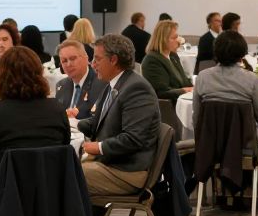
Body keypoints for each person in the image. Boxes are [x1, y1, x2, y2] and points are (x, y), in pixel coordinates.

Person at [0, 47, 71, 216]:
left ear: (1, 76)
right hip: (52, 199)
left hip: (6, 202)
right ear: (39, 73)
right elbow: (63, 154)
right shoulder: (57, 109)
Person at [77, 34, 160, 195]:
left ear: (113, 60)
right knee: (63, 169)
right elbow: (98, 122)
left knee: (65, 174)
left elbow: (133, 139)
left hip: (127, 171)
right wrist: (70, 123)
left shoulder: (136, 88)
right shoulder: (115, 84)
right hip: (112, 162)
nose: (93, 64)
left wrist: (98, 147)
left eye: (97, 59)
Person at [193, 31, 258, 149]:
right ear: (242, 54)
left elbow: (197, 118)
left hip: (210, 146)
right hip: (245, 147)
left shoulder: (202, 77)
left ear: (216, 50)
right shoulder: (252, 79)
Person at [54, 39, 107, 120]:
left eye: (72, 58)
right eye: (64, 61)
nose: (68, 64)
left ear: (86, 59)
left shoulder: (101, 83)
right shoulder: (61, 85)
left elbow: (98, 117)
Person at [142, 20, 194, 102]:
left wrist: (195, 88)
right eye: (174, 38)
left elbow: (185, 81)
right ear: (162, 40)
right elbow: (161, 92)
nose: (178, 41)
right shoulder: (151, 60)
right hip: (168, 108)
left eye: (177, 37)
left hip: (181, 101)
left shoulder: (173, 56)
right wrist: (185, 90)